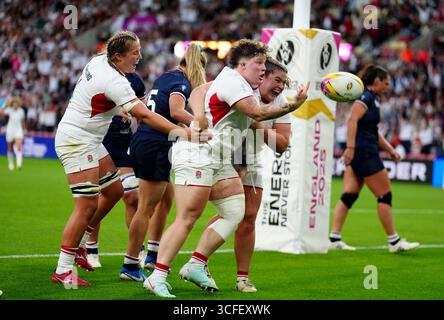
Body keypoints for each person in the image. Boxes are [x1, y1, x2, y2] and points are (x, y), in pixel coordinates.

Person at [144, 39, 309, 298]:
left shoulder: (243, 83)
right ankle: (158, 276)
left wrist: (198, 111)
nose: (263, 70)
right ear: (242, 65)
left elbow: (199, 92)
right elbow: (254, 112)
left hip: (219, 158)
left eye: (265, 65)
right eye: (259, 64)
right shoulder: (234, 83)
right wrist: (294, 105)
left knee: (235, 211)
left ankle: (197, 263)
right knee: (188, 217)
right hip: (198, 154)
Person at [51, 30, 206, 287]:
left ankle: (79, 244)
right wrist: (184, 132)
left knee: (113, 191)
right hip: (77, 141)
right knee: (87, 206)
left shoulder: (100, 61)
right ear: (117, 56)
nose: (140, 57)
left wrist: (122, 107)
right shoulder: (115, 80)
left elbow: (117, 99)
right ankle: (64, 269)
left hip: (87, 138)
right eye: (135, 53)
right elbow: (144, 116)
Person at [201, 57, 291, 293]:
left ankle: (242, 278)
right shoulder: (239, 89)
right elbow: (203, 93)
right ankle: (196, 261)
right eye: (277, 80)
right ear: (262, 77)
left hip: (252, 159)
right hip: (221, 156)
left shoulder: (280, 103)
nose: (281, 86)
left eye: (284, 82)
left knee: (248, 217)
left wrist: (255, 120)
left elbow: (282, 144)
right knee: (226, 212)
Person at [119, 43, 208, 282]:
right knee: (146, 208)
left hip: (144, 140)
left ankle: (153, 253)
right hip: (155, 144)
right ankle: (130, 265)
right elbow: (177, 111)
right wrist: (200, 124)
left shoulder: (165, 76)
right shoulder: (182, 81)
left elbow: (161, 110)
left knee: (166, 198)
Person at [328, 64, 419, 253]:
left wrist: (390, 149)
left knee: (350, 194)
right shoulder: (366, 98)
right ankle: (394, 242)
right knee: (385, 195)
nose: (388, 86)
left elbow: (373, 131)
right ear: (376, 82)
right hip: (365, 152)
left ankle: (334, 238)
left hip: (362, 151)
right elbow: (352, 120)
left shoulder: (373, 99)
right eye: (386, 83)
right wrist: (351, 149)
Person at [85, 72, 148, 269]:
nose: (137, 57)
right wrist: (116, 110)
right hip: (99, 140)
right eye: (133, 53)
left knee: (133, 197)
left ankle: (137, 249)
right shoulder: (102, 76)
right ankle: (90, 248)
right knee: (96, 198)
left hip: (124, 142)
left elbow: (143, 107)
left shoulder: (135, 80)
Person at [0, 96, 26, 171]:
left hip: (18, 130)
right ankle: (11, 164)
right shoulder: (9, 110)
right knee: (10, 148)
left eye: (16, 104)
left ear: (18, 104)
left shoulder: (21, 111)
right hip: (10, 130)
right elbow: (1, 113)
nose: (15, 105)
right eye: (14, 104)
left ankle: (19, 164)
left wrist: (24, 129)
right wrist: (4, 105)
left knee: (19, 146)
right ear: (12, 104)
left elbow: (23, 121)